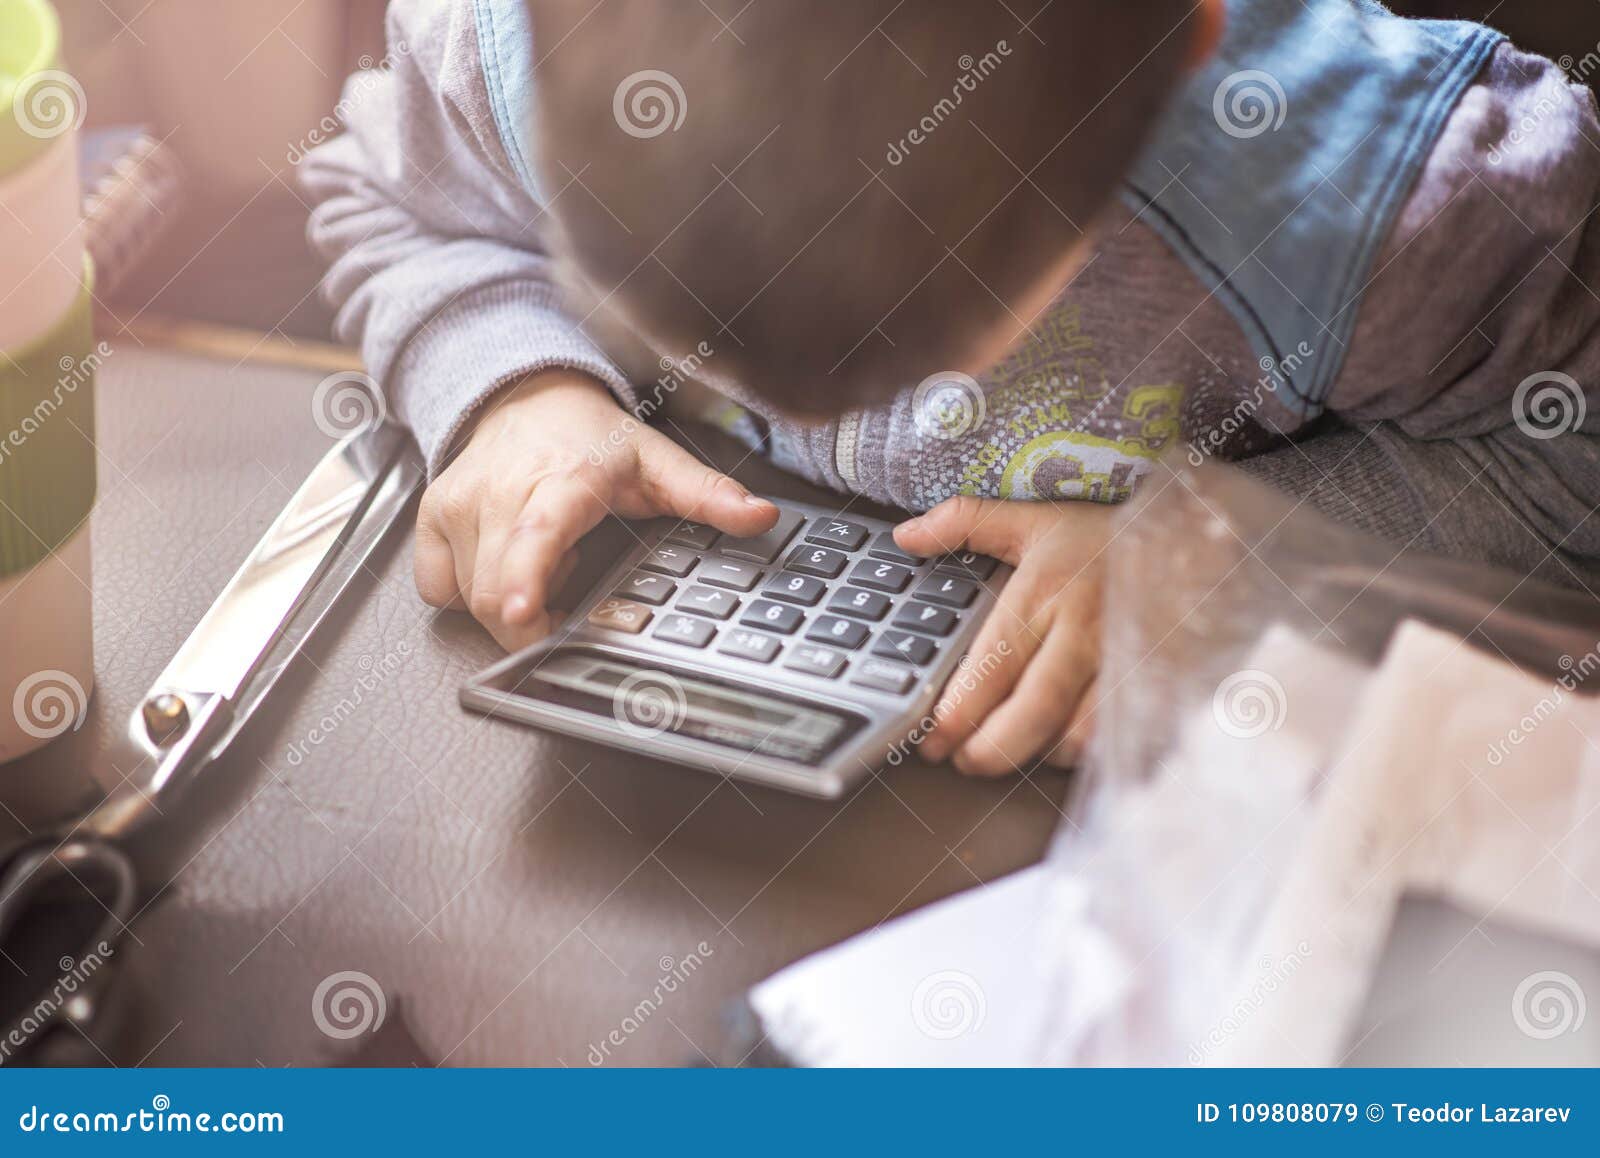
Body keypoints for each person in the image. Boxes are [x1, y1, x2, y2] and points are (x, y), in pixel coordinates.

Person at [303, 0, 1600, 777]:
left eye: (924, 335)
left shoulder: (1376, 210)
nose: (808, 411)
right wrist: (514, 382)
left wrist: (1242, 549)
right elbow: (395, 198)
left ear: (1181, 51)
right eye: (686, 317)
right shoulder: (510, 54)